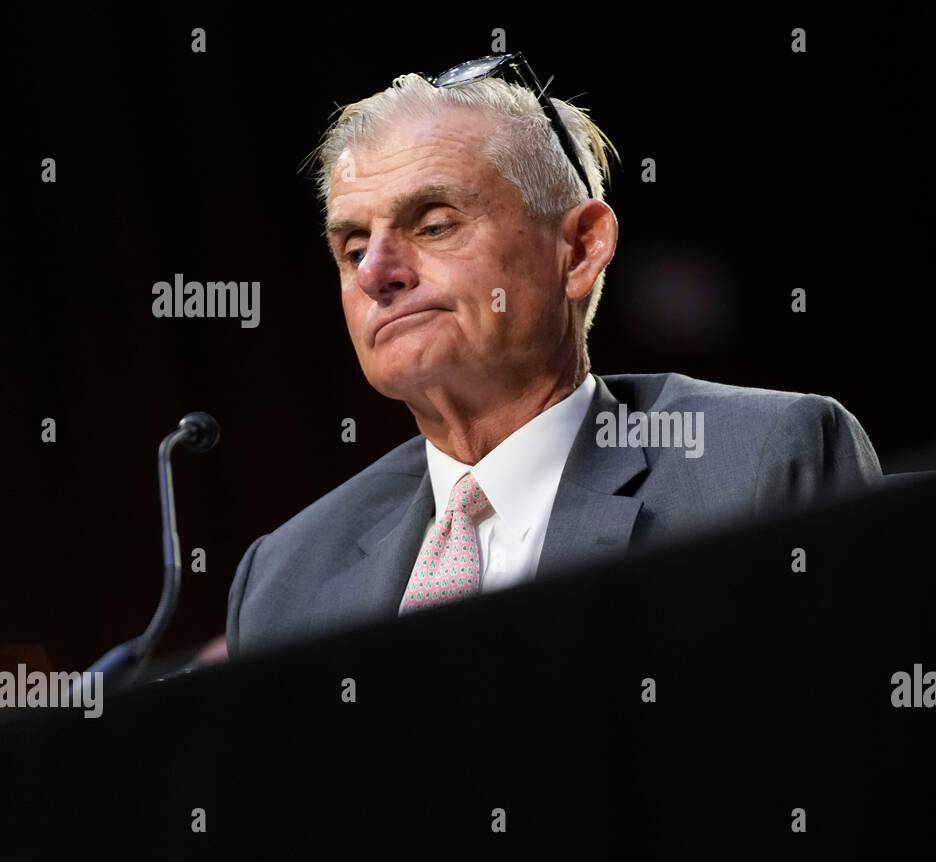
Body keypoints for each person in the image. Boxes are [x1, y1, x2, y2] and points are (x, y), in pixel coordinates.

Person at [226, 55, 882, 657]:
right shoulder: (283, 581)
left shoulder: (757, 465)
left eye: (433, 226)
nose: (377, 273)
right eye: (351, 248)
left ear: (580, 248)